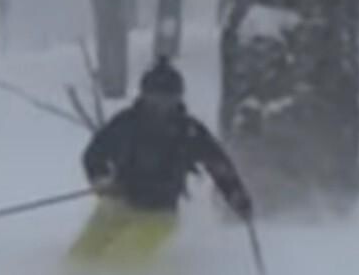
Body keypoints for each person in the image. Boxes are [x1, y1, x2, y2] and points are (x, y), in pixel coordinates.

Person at [70, 55, 254, 264]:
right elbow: (95, 154)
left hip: (159, 215)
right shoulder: (126, 124)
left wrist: (238, 198)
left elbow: (219, 166)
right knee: (81, 255)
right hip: (118, 203)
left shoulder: (189, 131)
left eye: (168, 100)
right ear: (144, 96)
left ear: (178, 99)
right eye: (155, 99)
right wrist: (101, 180)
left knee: (123, 260)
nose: (161, 107)